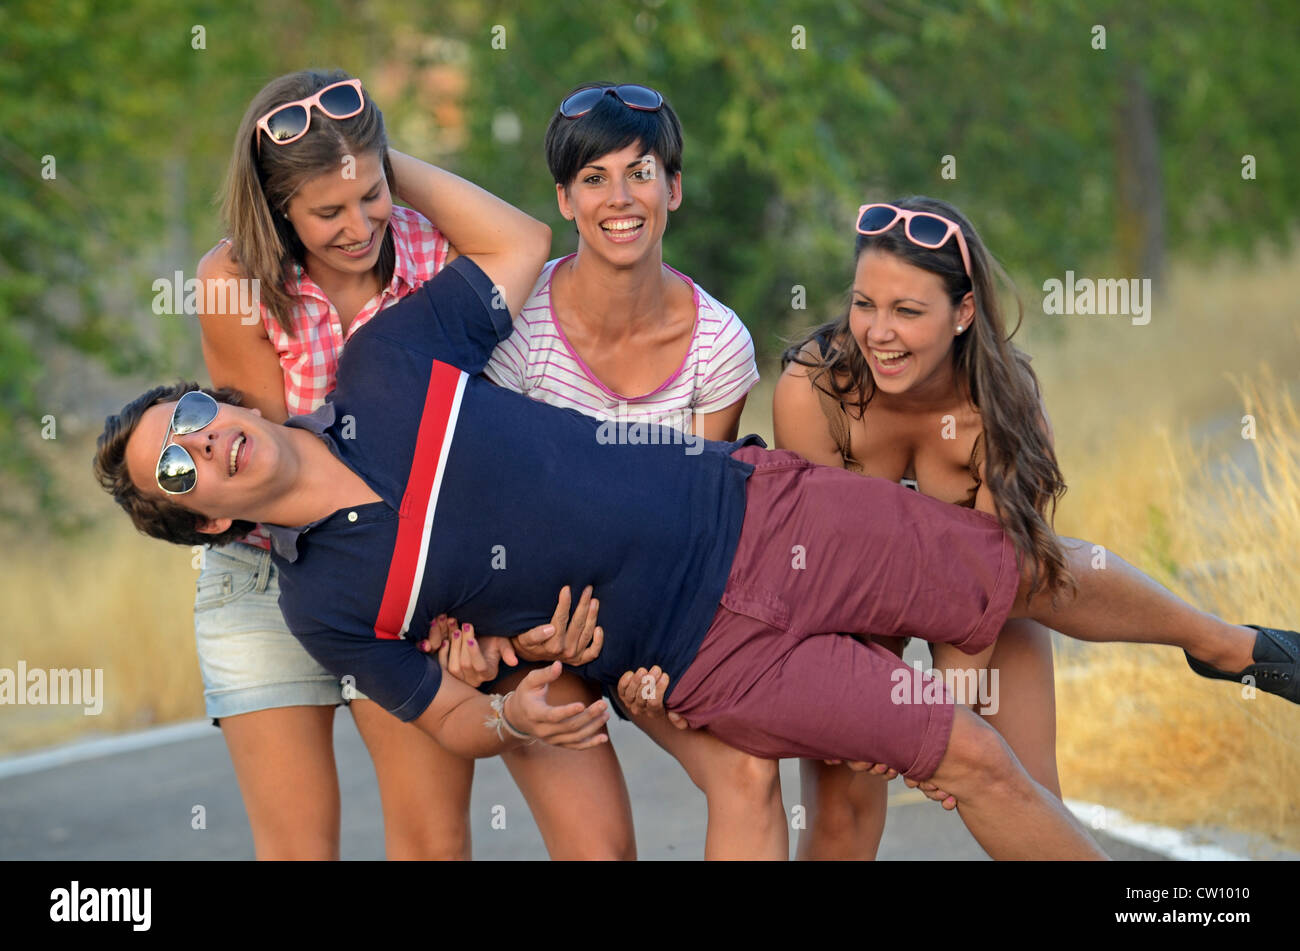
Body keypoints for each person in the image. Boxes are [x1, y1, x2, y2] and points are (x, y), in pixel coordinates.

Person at [94, 234, 1299, 860]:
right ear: (205, 522)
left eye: (195, 418)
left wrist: (360, 140)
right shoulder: (325, 605)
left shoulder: (386, 372)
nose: (205, 446)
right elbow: (449, 721)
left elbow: (514, 240)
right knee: (967, 755)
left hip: (759, 516)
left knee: (1014, 573)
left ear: (231, 403)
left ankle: (1227, 645)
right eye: (179, 469)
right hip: (709, 663)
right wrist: (517, 715)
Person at [189, 68, 630, 860]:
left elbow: (527, 242)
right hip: (266, 576)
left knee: (429, 839)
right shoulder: (233, 282)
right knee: (296, 848)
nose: (359, 226)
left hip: (399, 570)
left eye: (370, 195)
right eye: (327, 210)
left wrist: (373, 158)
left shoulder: (428, 244)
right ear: (276, 205)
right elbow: (261, 470)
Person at [470, 82, 787, 859]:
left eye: (640, 172)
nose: (621, 197)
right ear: (565, 200)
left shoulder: (719, 343)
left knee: (750, 774)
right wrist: (533, 632)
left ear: (673, 188)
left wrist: (655, 657)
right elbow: (492, 516)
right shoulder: (517, 330)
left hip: (661, 618)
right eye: (593, 178)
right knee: (601, 851)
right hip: (535, 623)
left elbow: (705, 527)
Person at [774, 197, 1062, 858]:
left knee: (1025, 791)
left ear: (963, 313)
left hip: (983, 598)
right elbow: (815, 571)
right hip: (848, 605)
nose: (879, 331)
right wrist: (884, 708)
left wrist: (939, 711)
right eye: (865, 303)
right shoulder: (812, 389)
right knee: (841, 813)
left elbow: (993, 579)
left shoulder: (1007, 405)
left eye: (907, 311)